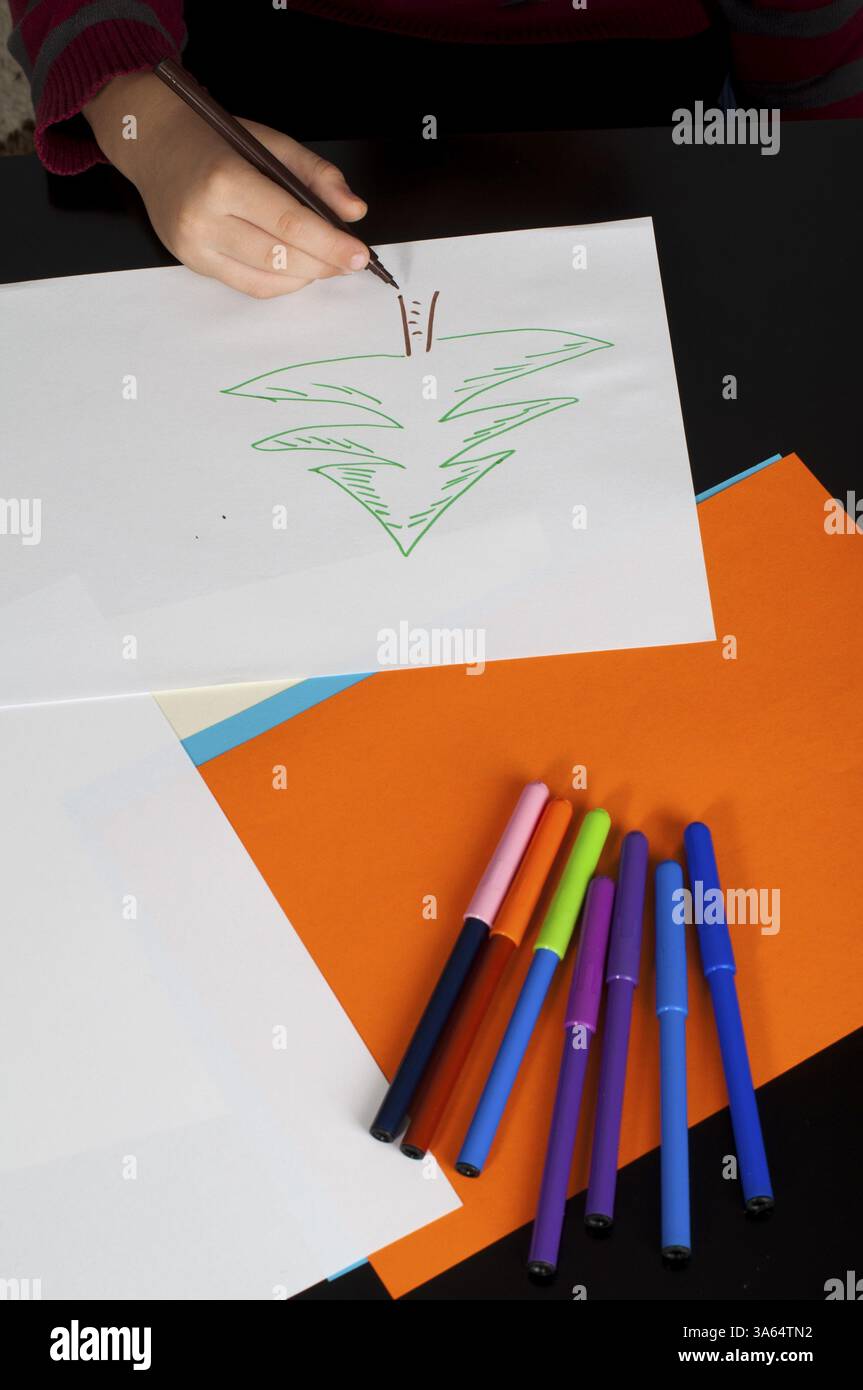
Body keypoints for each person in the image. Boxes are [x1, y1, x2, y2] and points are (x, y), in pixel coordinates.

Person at [7, 1, 862, 298]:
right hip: (249, 83)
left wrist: (824, 171)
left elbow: (809, 40)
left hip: (629, 93)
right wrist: (140, 115)